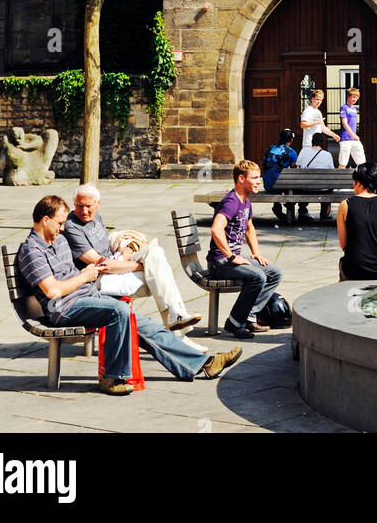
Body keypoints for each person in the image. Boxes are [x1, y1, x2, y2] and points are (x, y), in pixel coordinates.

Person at [17, 195, 240, 395]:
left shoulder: (58, 240)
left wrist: (90, 276)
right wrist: (85, 277)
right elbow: (53, 291)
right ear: (45, 220)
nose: (63, 228)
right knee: (119, 310)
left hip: (86, 297)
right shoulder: (32, 250)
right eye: (60, 223)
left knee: (144, 323)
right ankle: (112, 378)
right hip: (63, 309)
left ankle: (204, 363)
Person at [63, 183, 200, 332]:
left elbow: (108, 248)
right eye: (79, 206)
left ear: (98, 203)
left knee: (156, 254)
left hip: (116, 263)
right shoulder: (72, 227)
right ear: (74, 203)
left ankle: (176, 318)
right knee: (157, 277)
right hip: (99, 279)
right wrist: (140, 266)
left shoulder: (97, 217)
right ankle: (179, 331)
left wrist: (127, 250)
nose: (84, 211)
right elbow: (101, 264)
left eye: (88, 206)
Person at [207, 160, 285, 339]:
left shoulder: (245, 201)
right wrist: (231, 256)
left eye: (259, 177)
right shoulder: (231, 202)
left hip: (232, 260)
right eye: (255, 178)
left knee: (274, 272)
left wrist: (256, 253)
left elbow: (249, 228)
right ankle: (235, 323)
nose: (259, 181)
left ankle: (249, 316)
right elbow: (216, 229)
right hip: (220, 263)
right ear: (241, 179)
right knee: (258, 277)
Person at [296, 132, 335, 223]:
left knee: (302, 183)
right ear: (323, 143)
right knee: (328, 186)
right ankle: (324, 214)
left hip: (305, 188)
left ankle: (302, 211)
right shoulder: (327, 155)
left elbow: (297, 165)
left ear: (312, 141)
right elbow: (332, 172)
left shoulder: (304, 151)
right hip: (323, 188)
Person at [261, 128, 298, 224]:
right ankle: (289, 209)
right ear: (291, 140)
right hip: (281, 187)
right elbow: (294, 171)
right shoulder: (291, 152)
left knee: (275, 175)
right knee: (291, 185)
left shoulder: (269, 149)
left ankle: (277, 206)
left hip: (267, 185)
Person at [338, 88, 366, 168]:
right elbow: (345, 124)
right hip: (346, 138)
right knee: (343, 162)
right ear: (348, 97)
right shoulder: (344, 108)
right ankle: (338, 178)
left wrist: (354, 136)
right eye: (353, 97)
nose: (355, 99)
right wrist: (353, 135)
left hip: (354, 139)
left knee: (362, 162)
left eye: (356, 97)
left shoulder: (354, 109)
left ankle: (362, 179)